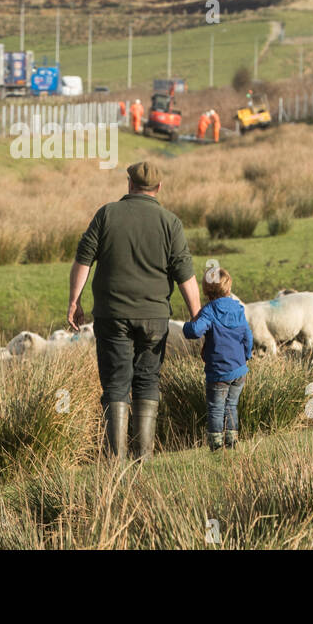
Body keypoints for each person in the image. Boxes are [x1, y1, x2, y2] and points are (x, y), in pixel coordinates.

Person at [68, 160, 199, 461]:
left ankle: (118, 461)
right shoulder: (170, 222)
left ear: (129, 184)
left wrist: (74, 302)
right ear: (159, 188)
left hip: (111, 315)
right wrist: (196, 313)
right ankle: (145, 457)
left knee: (115, 383)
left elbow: (83, 261)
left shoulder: (107, 214)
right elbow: (184, 272)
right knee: (147, 380)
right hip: (154, 317)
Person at [180, 266, 252, 451]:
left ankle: (216, 445)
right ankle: (232, 440)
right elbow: (247, 336)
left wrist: (187, 326)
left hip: (219, 371)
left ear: (205, 290)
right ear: (228, 288)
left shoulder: (209, 311)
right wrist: (246, 355)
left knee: (216, 407)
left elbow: (195, 331)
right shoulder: (238, 309)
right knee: (232, 405)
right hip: (239, 370)